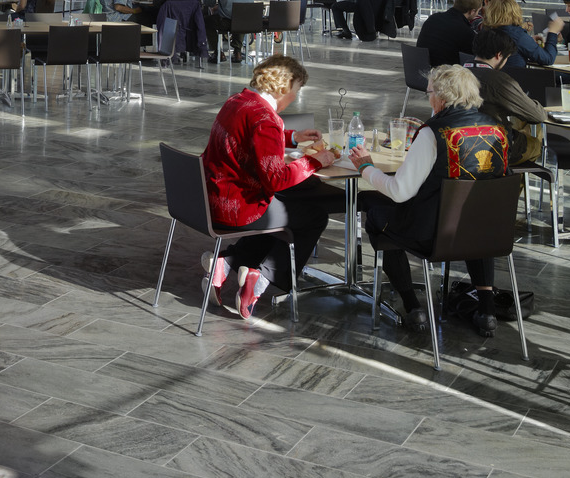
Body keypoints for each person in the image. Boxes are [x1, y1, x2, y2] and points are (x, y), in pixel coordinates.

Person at [350, 63, 512, 337]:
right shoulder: (497, 129)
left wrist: (366, 168)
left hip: (432, 236)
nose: (428, 99)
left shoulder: (433, 133)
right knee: (475, 215)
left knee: (377, 212)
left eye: (429, 93)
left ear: (443, 96)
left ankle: (413, 307)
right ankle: (486, 311)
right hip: (487, 234)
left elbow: (401, 191)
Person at [201, 55, 336, 320]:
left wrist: (292, 137)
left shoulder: (238, 101)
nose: (296, 98)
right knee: (313, 216)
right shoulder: (266, 118)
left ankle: (226, 263)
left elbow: (250, 135)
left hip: (212, 198)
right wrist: (314, 161)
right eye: (296, 91)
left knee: (285, 209)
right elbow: (276, 179)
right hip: (238, 207)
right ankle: (259, 279)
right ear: (284, 88)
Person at [471, 27, 550, 163]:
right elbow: (538, 115)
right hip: (490, 145)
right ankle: (511, 183)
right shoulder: (499, 81)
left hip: (458, 141)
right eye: (507, 57)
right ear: (498, 55)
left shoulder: (456, 72)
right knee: (535, 144)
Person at [416, 0, 484, 67]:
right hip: (445, 74)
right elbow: (475, 57)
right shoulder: (465, 31)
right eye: (478, 11)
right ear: (472, 11)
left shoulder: (433, 18)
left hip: (421, 70)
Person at [481, 0, 552, 65]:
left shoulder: (484, 33)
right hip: (514, 75)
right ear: (515, 13)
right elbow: (547, 59)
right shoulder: (519, 36)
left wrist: (529, 40)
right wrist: (553, 32)